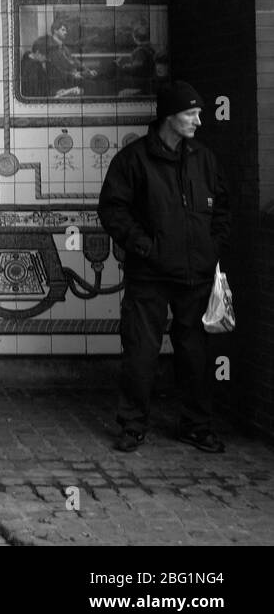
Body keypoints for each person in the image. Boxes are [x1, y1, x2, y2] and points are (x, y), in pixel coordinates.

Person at [97, 81, 231, 454]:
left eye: (200, 113)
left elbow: (222, 208)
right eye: (191, 114)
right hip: (150, 276)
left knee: (196, 357)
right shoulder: (133, 160)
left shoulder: (204, 158)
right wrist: (145, 247)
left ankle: (196, 426)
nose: (198, 121)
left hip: (196, 277)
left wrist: (212, 247)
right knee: (140, 353)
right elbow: (112, 210)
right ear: (169, 117)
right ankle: (133, 426)